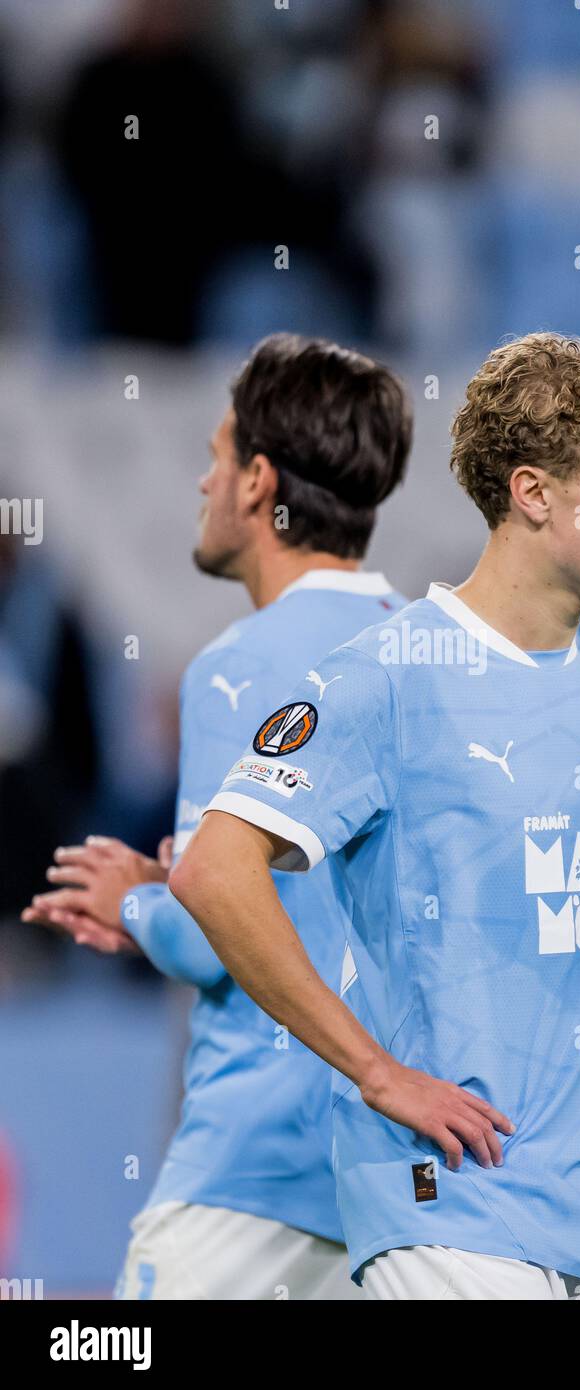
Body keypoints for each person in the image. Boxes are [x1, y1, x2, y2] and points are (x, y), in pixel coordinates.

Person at [171, 331, 580, 1301]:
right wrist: (376, 1072)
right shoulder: (388, 671)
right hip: (438, 1203)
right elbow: (216, 869)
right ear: (533, 491)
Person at [21, 333, 411, 1299]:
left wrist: (139, 906)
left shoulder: (240, 666)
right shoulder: (433, 654)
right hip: (395, 1184)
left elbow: (210, 934)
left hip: (254, 1169)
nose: (202, 481)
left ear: (258, 483)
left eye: (217, 456)